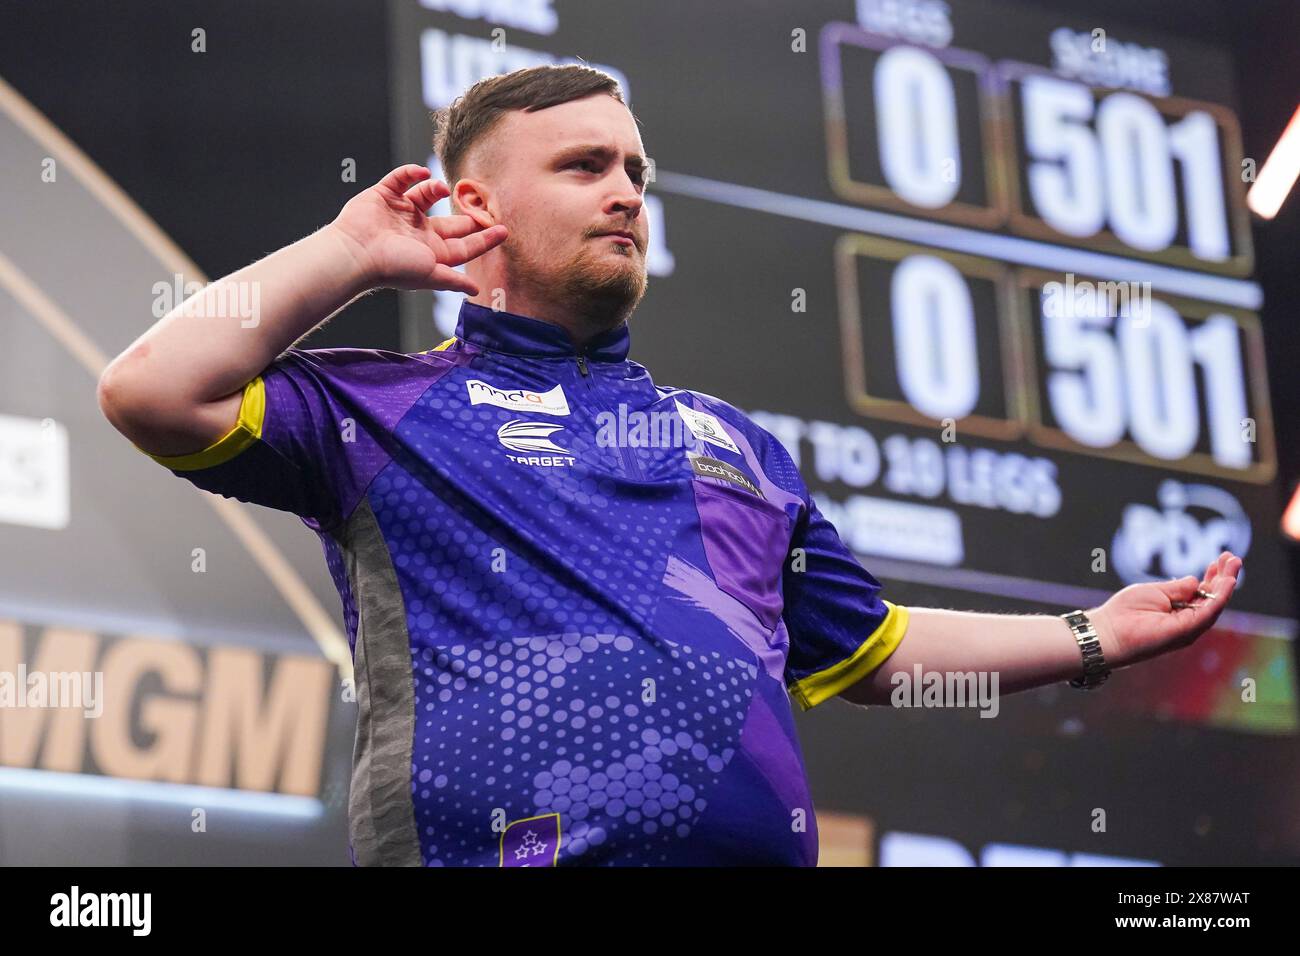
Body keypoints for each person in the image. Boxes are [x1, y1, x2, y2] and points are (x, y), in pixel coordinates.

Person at [96, 64, 1242, 867]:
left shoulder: (734, 443)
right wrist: (349, 253)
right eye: (586, 164)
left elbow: (877, 649)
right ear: (473, 205)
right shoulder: (380, 406)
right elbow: (150, 388)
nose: (626, 193)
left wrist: (1095, 636)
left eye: (637, 171)